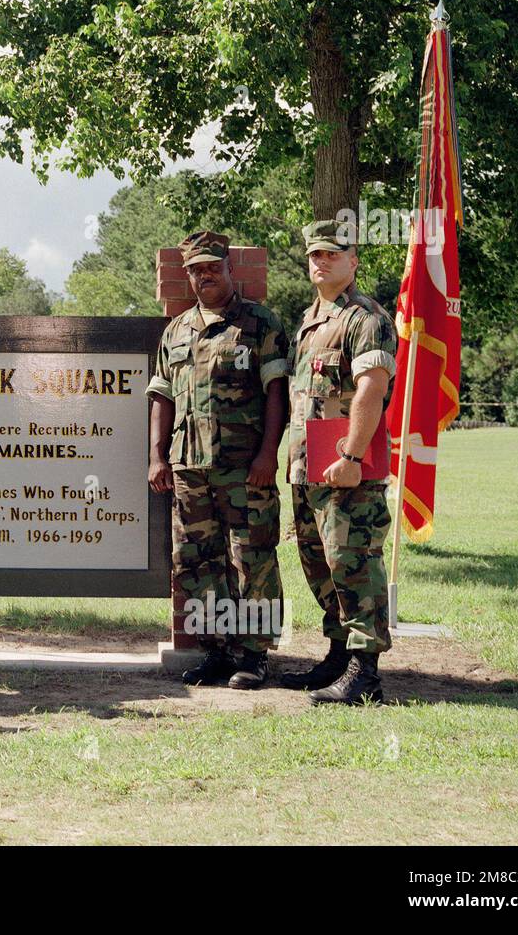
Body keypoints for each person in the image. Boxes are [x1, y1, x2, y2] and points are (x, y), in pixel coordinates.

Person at [148, 231, 288, 689]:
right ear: (187, 275)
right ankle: (215, 650)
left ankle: (254, 654)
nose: (204, 275)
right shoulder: (176, 331)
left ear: (228, 269)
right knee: (197, 560)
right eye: (195, 269)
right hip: (189, 468)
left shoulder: (259, 324)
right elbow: (162, 396)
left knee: (252, 558)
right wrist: (158, 456)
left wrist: (269, 453)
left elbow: (276, 393)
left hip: (245, 467)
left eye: (212, 267)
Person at [281, 219, 398, 706]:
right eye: (314, 254)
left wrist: (350, 455)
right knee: (318, 561)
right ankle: (337, 653)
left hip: (349, 465)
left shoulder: (365, 318)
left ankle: (364, 671)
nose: (321, 261)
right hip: (311, 466)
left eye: (332, 254)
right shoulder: (312, 320)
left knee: (354, 562)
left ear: (353, 262)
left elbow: (371, 389)